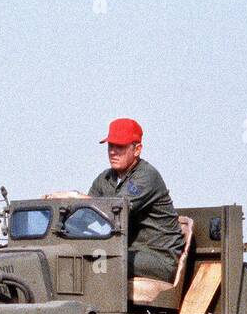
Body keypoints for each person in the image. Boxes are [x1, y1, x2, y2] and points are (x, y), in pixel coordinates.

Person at [49, 117, 186, 282]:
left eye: (120, 146)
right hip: (126, 251)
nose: (113, 151)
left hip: (158, 258)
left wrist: (74, 196)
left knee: (99, 259)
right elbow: (85, 216)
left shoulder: (146, 176)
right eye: (110, 146)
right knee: (65, 256)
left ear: (137, 150)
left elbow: (116, 209)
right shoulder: (106, 179)